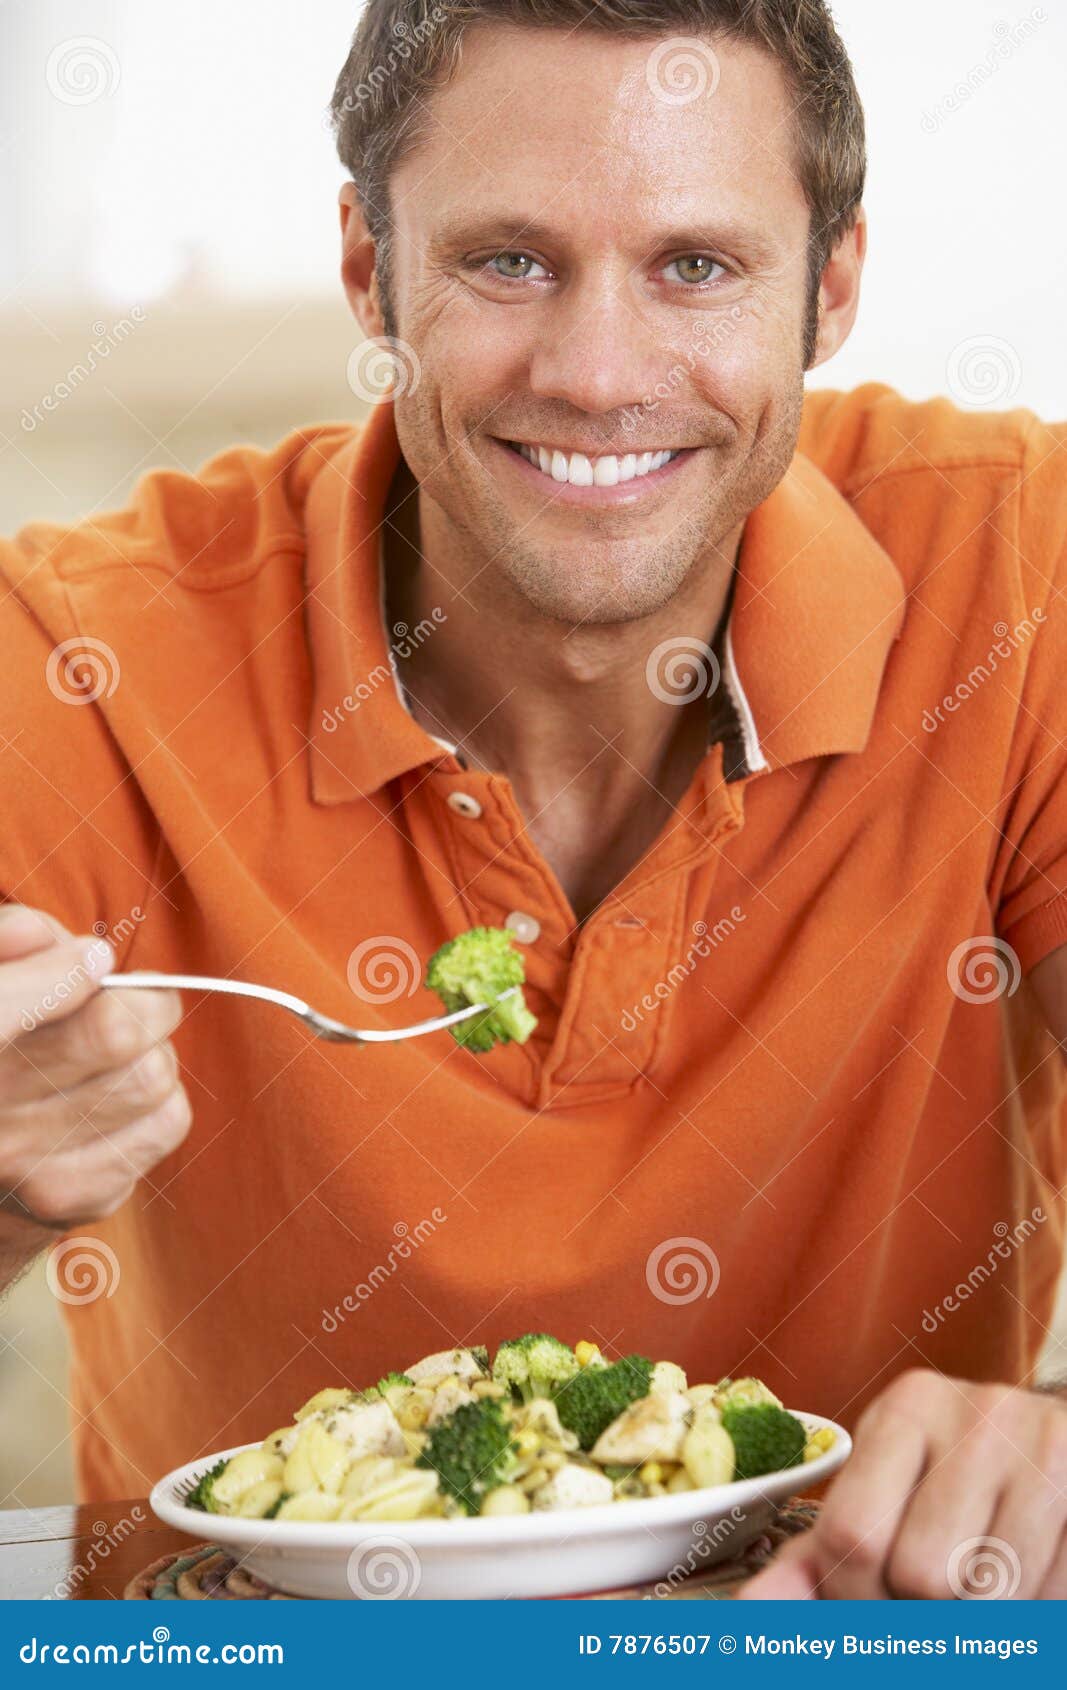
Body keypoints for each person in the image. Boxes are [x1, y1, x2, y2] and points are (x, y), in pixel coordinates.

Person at [2, 0, 1066, 1599]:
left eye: (696, 267)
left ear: (831, 286)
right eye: (510, 261)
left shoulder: (1022, 574)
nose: (596, 375)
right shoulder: (74, 655)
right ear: (371, 268)